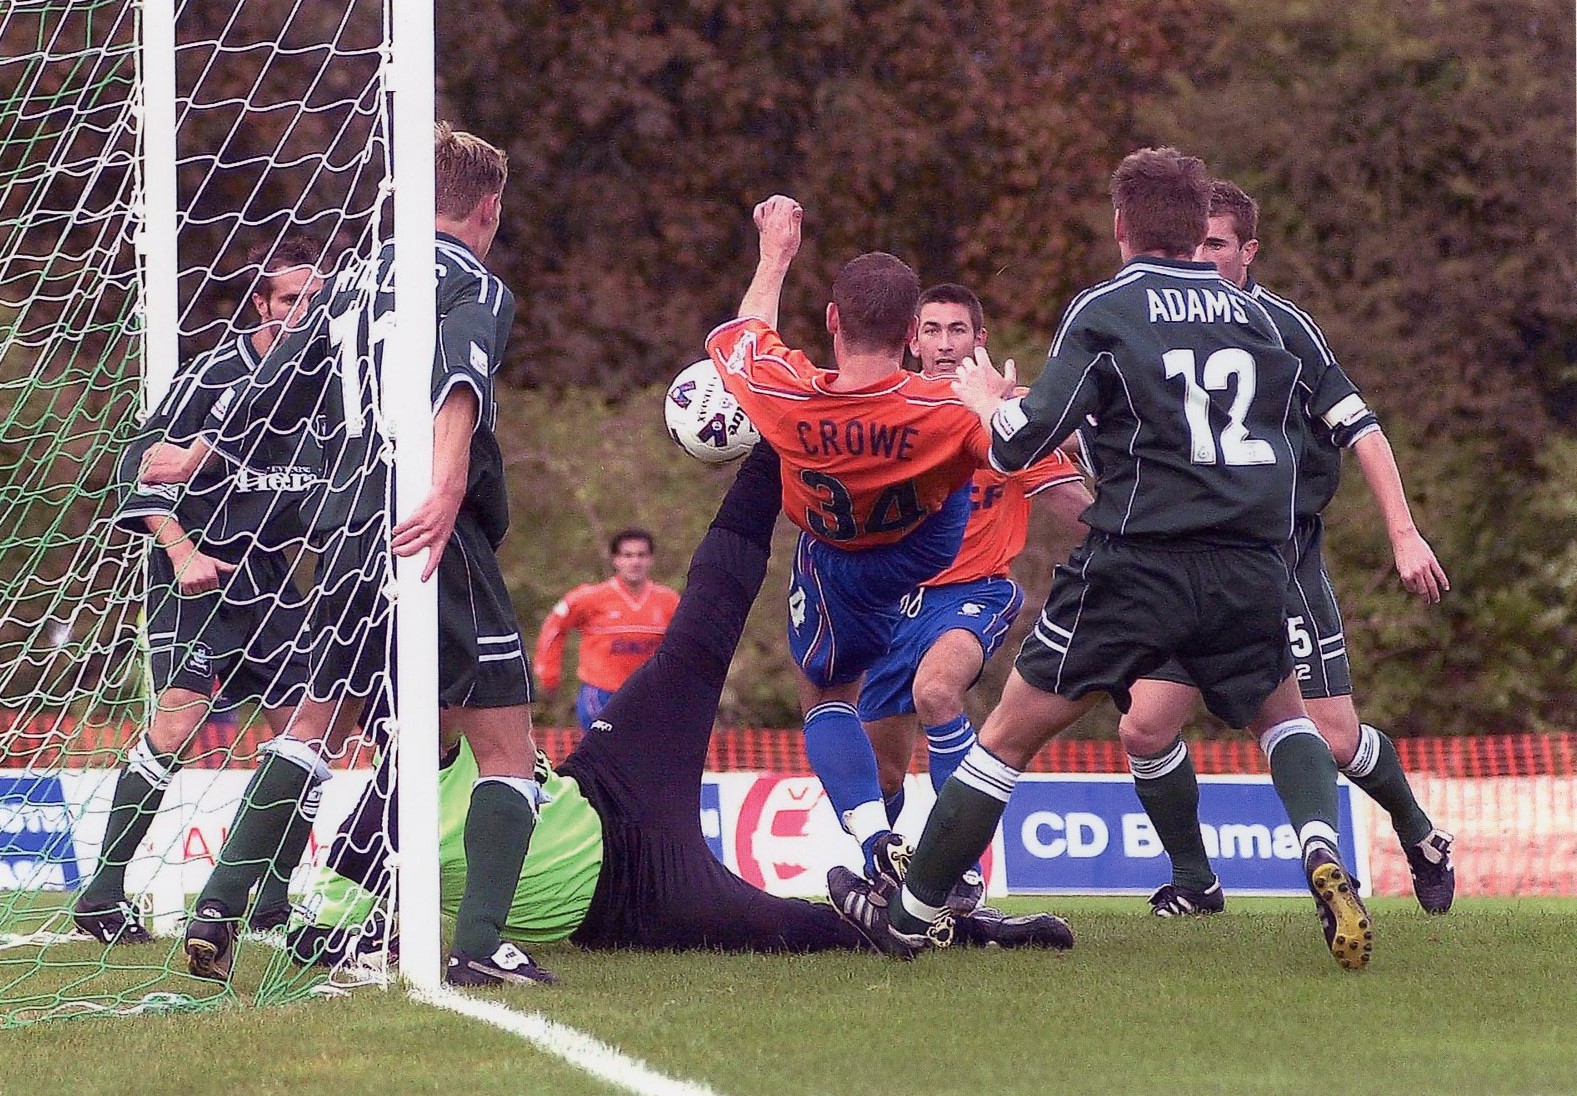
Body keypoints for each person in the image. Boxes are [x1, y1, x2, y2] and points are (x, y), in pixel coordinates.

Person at [847, 147, 1376, 972]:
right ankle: (1318, 848)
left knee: (1004, 742)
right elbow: (1309, 445)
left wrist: (987, 400)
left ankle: (911, 916)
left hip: (1138, 565)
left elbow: (1025, 441)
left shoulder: (1105, 308)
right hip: (1248, 562)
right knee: (1282, 717)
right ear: (1198, 227)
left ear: (1121, 226)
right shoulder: (1264, 318)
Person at [286, 444, 1075, 966]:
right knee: (800, 933)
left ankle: (774, 444)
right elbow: (319, 924)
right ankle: (960, 923)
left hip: (606, 782)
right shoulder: (375, 821)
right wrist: (355, 938)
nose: (451, 698)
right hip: (628, 904)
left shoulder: (467, 727)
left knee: (701, 629)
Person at [164, 123, 550, 987]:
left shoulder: (350, 281)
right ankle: (480, 944)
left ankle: (221, 904)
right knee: (504, 742)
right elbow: (461, 377)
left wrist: (199, 453)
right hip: (422, 525)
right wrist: (447, 489)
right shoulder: (474, 281)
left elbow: (276, 382)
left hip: (342, 524)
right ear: (487, 208)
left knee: (316, 721)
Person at [1120, 180, 1455, 917]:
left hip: (1280, 565)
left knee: (1332, 740)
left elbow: (1360, 428)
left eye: (1217, 244)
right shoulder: (1156, 322)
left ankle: (1418, 831)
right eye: (1193, 243)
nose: (1203, 258)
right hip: (1185, 564)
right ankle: (1195, 881)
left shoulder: (1282, 327)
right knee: (1143, 727)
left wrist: (1403, 533)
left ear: (1248, 252)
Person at [704, 197, 989, 888]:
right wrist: (993, 404)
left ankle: (871, 837)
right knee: (958, 475)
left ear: (833, 320)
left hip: (835, 562)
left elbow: (745, 329)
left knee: (827, 698)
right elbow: (1015, 451)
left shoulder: (786, 391)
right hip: (923, 554)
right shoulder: (946, 408)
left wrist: (775, 253)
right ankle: (961, 870)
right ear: (910, 332)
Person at [72, 237, 325, 945]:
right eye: (288, 299)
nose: (301, 312)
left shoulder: (327, 382)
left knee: (303, 730)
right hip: (196, 574)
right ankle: (101, 894)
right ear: (261, 303)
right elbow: (139, 467)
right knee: (178, 722)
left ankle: (269, 903)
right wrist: (181, 551)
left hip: (270, 581)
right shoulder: (212, 374)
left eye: (313, 300)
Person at [859, 283, 1090, 912]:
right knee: (881, 775)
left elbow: (1072, 500)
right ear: (912, 340)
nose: (942, 343)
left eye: (956, 330)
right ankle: (884, 881)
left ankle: (957, 872)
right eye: (930, 330)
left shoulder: (1003, 426)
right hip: (890, 606)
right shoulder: (891, 415)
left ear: (978, 341)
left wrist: (1143, 532)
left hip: (974, 592)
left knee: (937, 691)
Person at [533, 528, 680, 732]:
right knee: (607, 756)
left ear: (651, 559)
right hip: (601, 695)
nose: (635, 562)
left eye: (641, 555)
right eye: (627, 555)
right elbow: (554, 627)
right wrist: (549, 674)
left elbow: (688, 645)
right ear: (615, 560)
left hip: (650, 695)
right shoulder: (590, 598)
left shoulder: (669, 601)